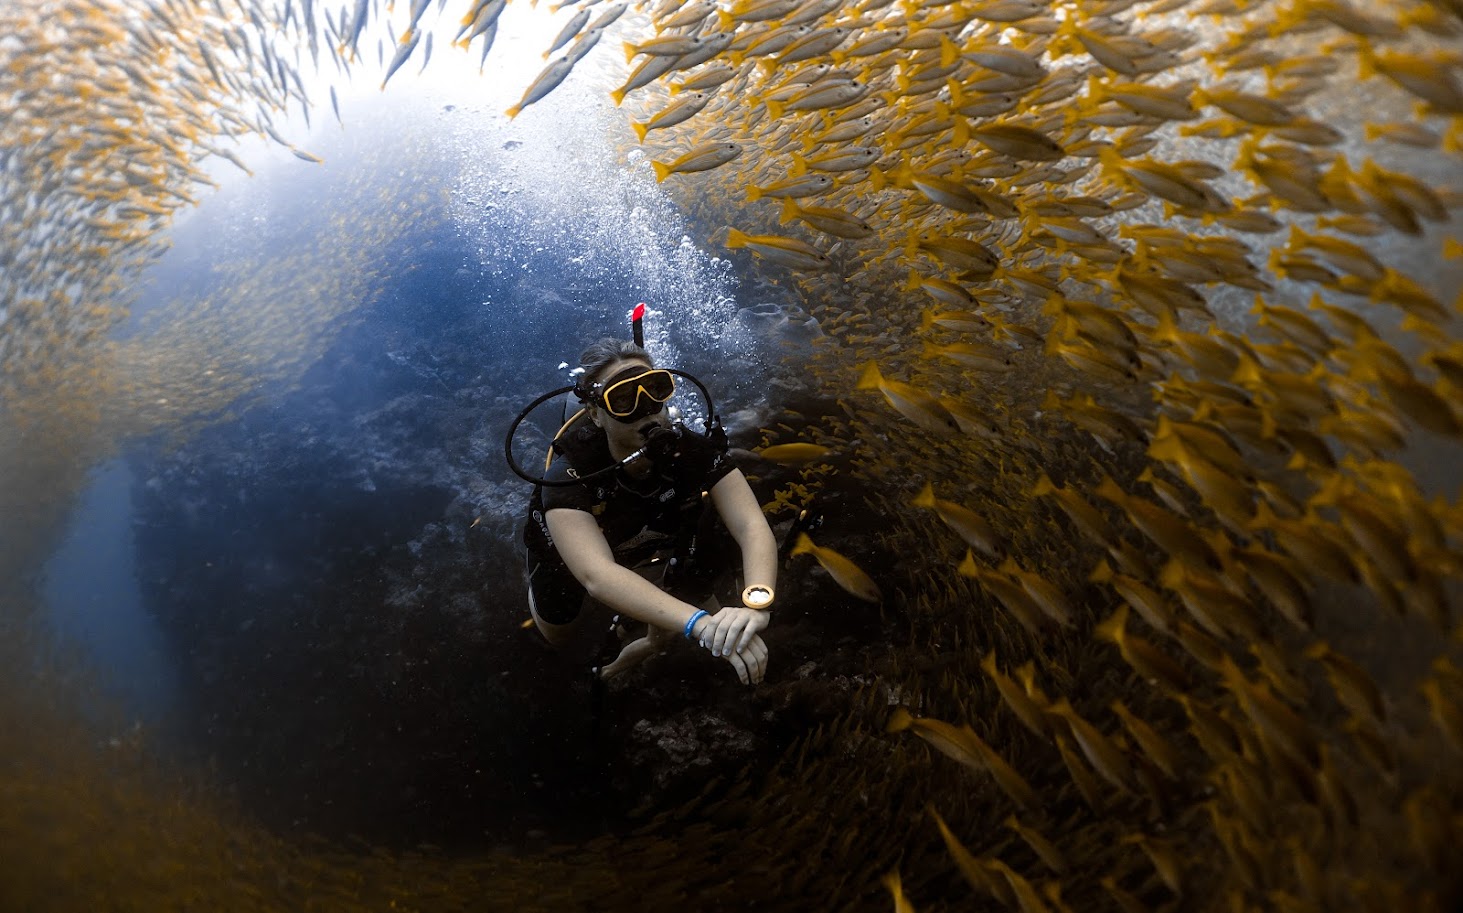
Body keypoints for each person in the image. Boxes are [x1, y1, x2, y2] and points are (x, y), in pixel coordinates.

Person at [522, 338, 777, 685]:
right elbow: (597, 575)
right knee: (559, 636)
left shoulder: (692, 450)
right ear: (595, 414)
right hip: (571, 560)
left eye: (655, 388)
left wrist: (758, 604)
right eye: (624, 398)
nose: (647, 409)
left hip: (648, 543)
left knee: (672, 600)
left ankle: (636, 626)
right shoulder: (569, 477)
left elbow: (750, 524)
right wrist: (700, 624)